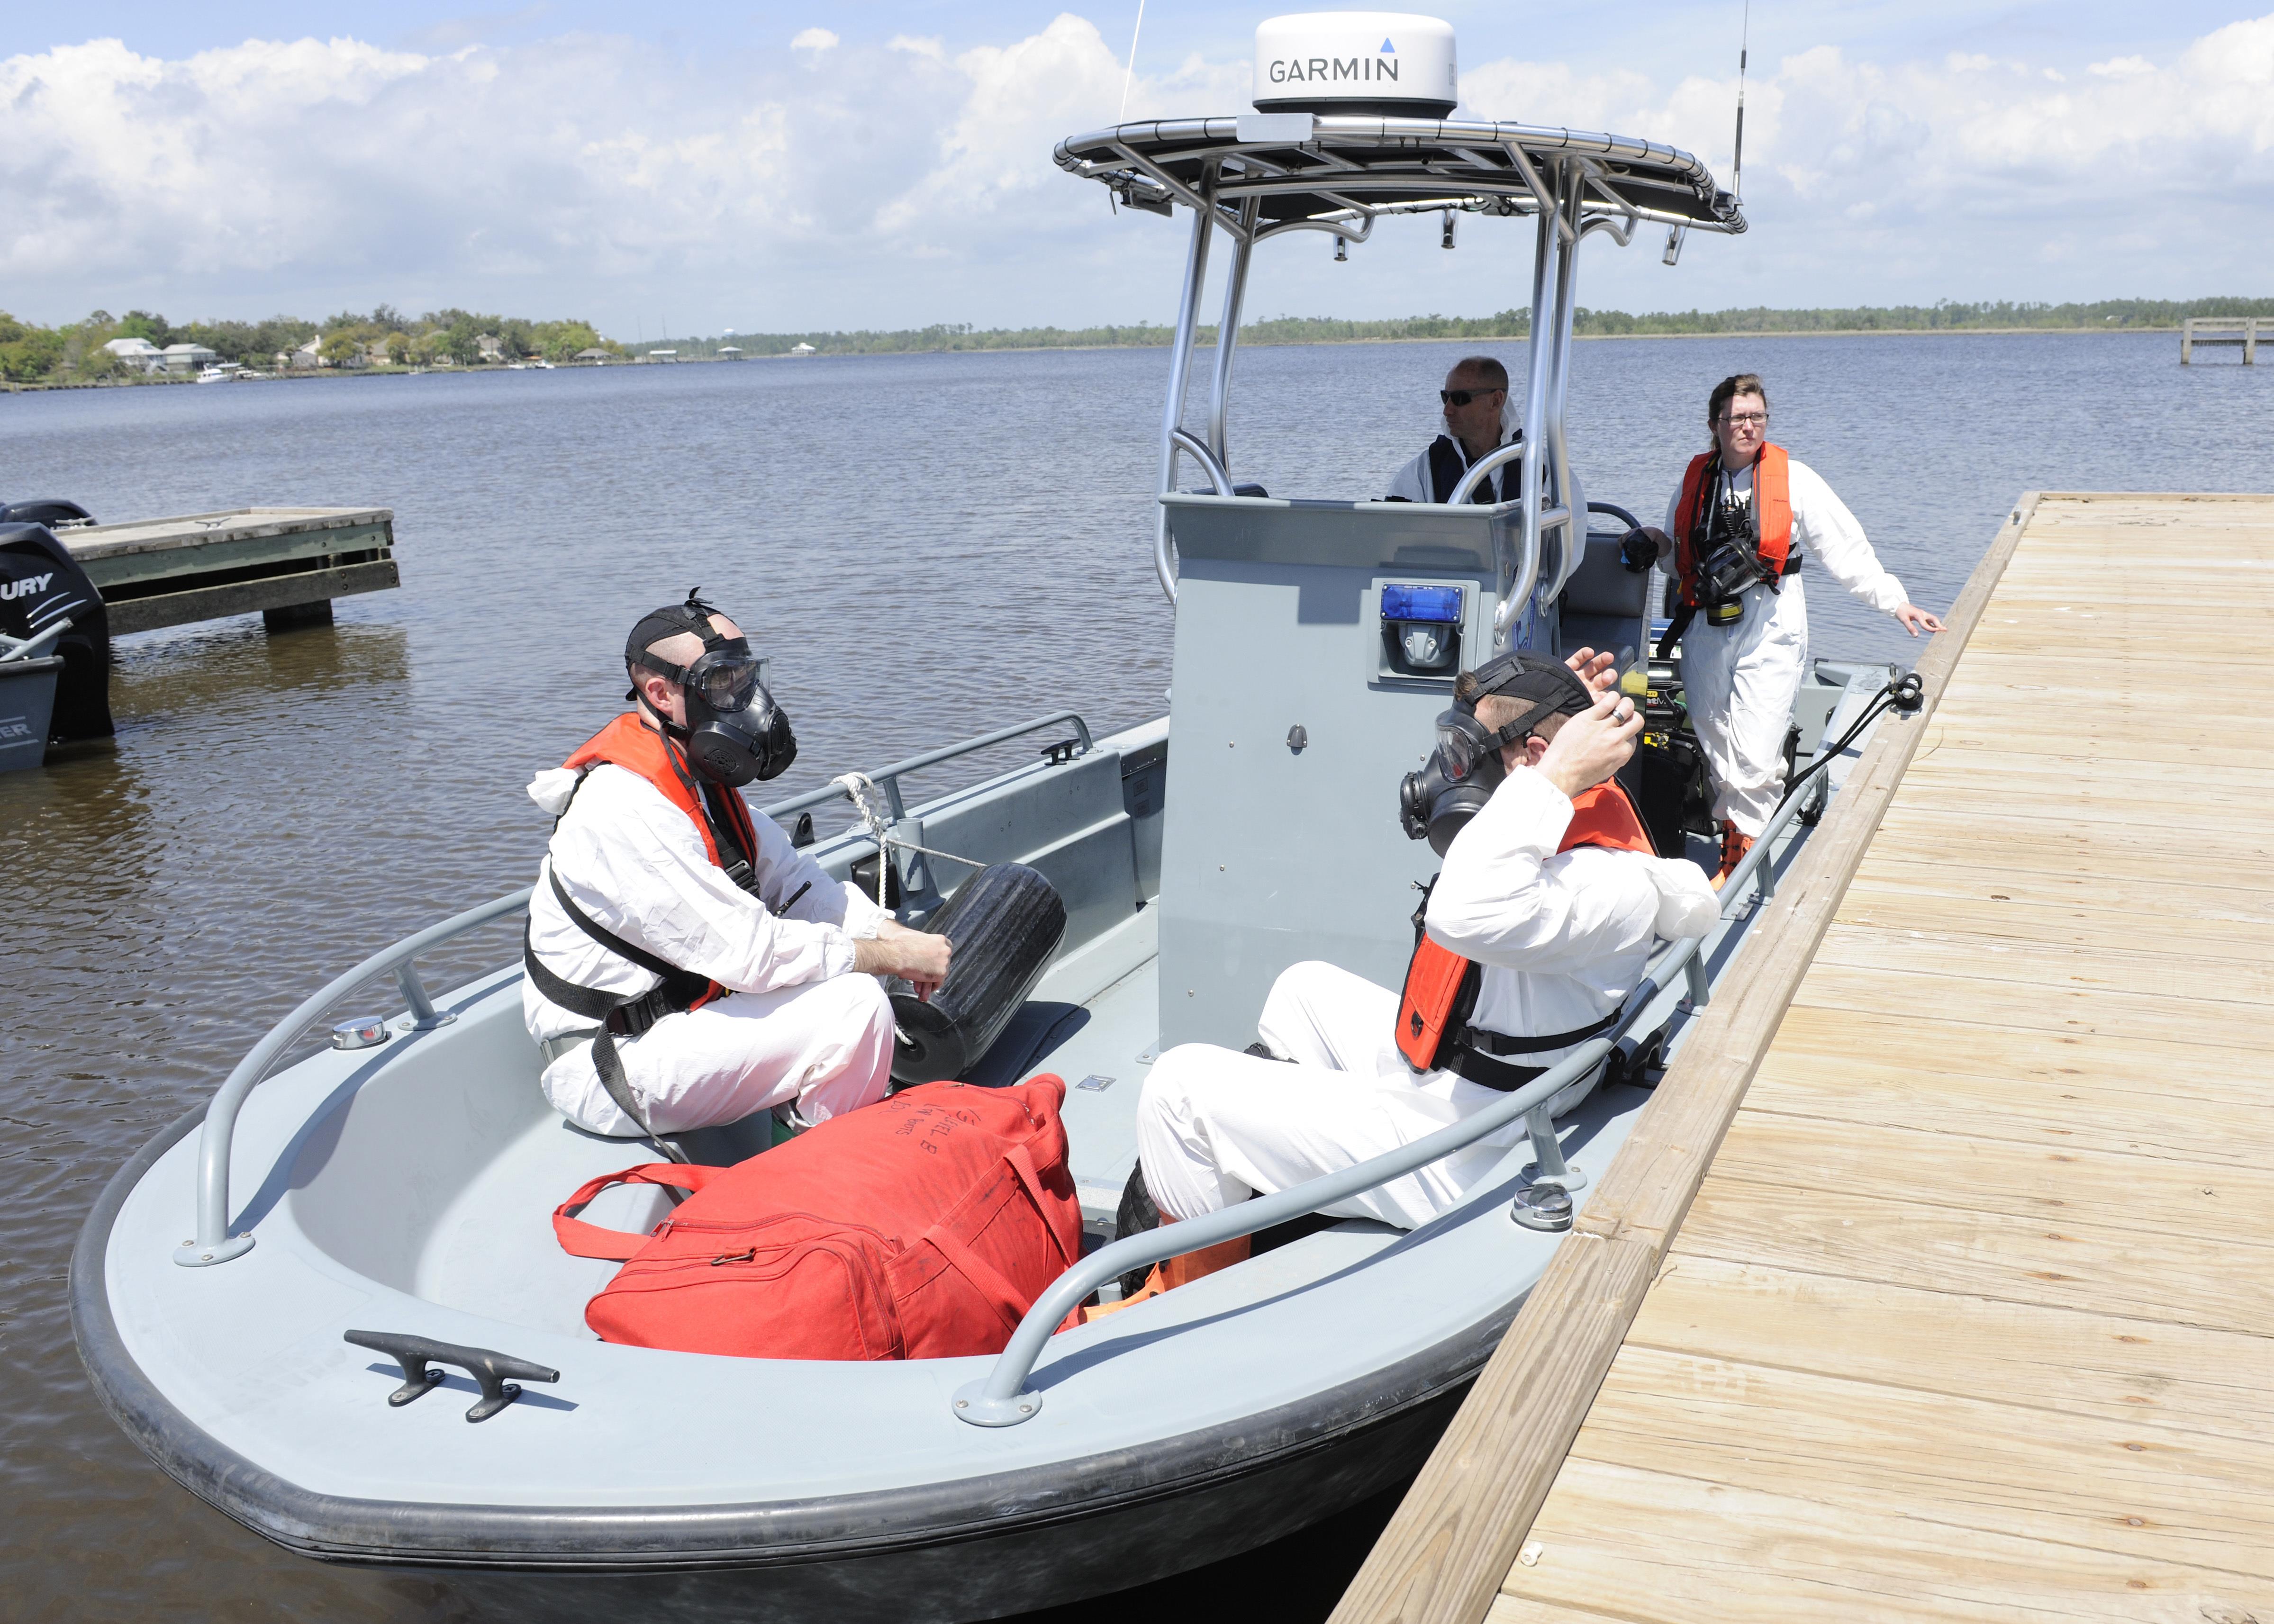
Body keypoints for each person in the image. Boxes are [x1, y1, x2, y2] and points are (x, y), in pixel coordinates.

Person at [1114, 652, 1719, 1306]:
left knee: (1176, 1087)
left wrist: (1553, 774)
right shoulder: (1566, 822)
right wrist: (1562, 716)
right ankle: (1269, 1180)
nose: (1451, 774)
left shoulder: (1600, 887)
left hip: (1473, 1152)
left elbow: (1461, 914)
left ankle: (1185, 1294)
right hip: (1473, 1082)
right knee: (1303, 989)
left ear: (1537, 760)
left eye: (1469, 756)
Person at [522, 590, 952, 1144]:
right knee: (855, 1007)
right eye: (722, 684)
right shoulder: (623, 806)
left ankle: (812, 1142)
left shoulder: (696, 785)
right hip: (614, 1062)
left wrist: (898, 938)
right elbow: (750, 955)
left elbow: (798, 889)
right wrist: (891, 957)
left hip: (681, 1027)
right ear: (661, 693)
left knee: (859, 981)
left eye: (747, 679)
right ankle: (818, 1177)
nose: (748, 701)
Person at [1635, 373, 1943, 887]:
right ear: (1715, 424)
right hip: (1707, 627)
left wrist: (1895, 602)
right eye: (1737, 417)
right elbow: (1674, 557)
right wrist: (1654, 541)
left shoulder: (1794, 478)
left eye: (1756, 416)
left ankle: (1739, 862)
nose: (1748, 426)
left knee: (1755, 754)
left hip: (1771, 622)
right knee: (1716, 743)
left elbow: (1844, 549)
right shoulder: (1695, 479)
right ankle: (1736, 832)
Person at [1386, 356, 1524, 503]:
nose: (1447, 410)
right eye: (1446, 397)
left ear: (1496, 400)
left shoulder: (1540, 469)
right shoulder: (1423, 473)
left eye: (1460, 398)